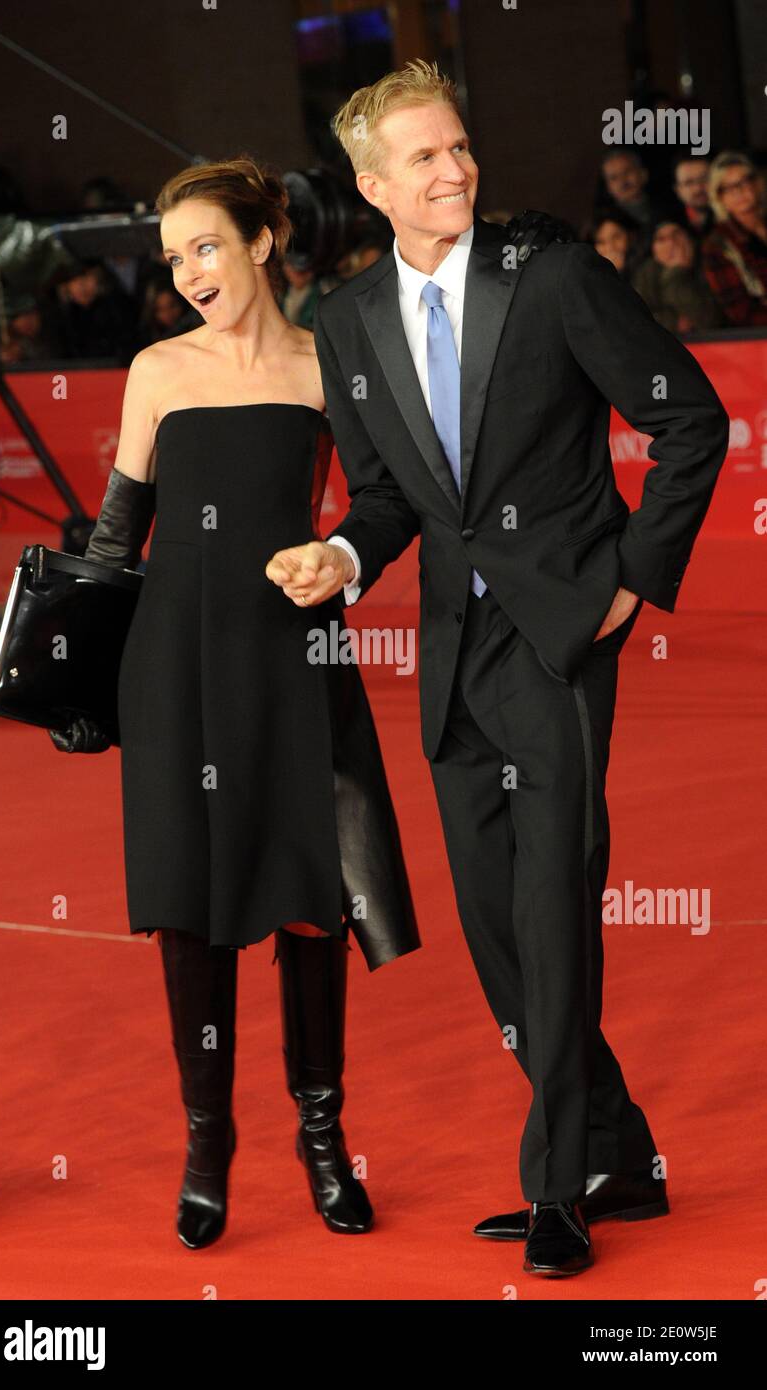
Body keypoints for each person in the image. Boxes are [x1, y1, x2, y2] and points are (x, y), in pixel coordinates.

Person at [267, 59, 729, 1277]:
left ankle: (558, 1183)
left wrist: (632, 577)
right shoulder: (348, 321)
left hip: (563, 640)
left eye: (459, 147)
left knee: (553, 904)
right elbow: (384, 496)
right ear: (371, 186)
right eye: (423, 157)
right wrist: (339, 557)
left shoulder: (557, 278)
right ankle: (619, 1149)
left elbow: (690, 419)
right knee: (492, 923)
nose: (456, 169)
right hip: (450, 653)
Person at [47, 155, 422, 1250]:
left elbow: (387, 501)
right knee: (189, 909)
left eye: (205, 246)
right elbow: (115, 543)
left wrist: (342, 558)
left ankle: (322, 1137)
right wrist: (80, 685)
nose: (188, 275)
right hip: (173, 670)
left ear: (261, 242)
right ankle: (207, 1143)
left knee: (314, 900)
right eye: (172, 260)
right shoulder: (156, 369)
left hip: (294, 662)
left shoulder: (326, 362)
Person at [701, 151, 767, 327]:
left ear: (758, 182)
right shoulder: (717, 246)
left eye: (745, 180)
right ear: (719, 197)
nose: (741, 190)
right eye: (730, 187)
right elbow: (741, 313)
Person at [632, 219, 725, 334]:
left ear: (690, 240)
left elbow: (709, 319)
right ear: (653, 249)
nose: (671, 242)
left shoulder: (708, 262)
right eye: (661, 239)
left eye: (676, 234)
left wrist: (676, 274)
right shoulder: (646, 273)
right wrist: (674, 323)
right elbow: (638, 319)